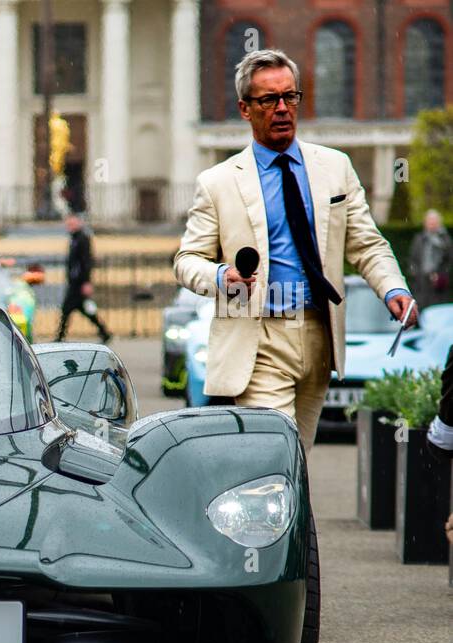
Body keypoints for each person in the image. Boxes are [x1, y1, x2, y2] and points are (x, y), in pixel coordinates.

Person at [174, 49, 413, 453]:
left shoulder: (335, 167)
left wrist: (394, 290)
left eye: (290, 97)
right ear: (245, 109)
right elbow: (186, 261)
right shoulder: (217, 182)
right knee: (275, 457)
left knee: (296, 461)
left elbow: (366, 242)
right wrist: (221, 276)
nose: (283, 108)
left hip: (319, 332)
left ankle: (290, 518)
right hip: (258, 335)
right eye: (269, 100)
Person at [55, 213, 110, 343]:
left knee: (67, 309)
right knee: (83, 310)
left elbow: (86, 261)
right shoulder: (74, 238)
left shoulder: (83, 238)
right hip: (75, 281)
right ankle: (104, 332)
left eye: (72, 223)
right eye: (68, 224)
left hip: (79, 282)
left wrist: (86, 282)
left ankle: (60, 337)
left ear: (79, 223)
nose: (69, 226)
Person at [408, 209, 451, 311]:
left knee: (436, 309)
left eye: (434, 222)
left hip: (438, 284)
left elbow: (449, 261)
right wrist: (415, 272)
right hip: (420, 282)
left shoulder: (445, 240)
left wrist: (440, 275)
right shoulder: (419, 239)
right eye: (429, 221)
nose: (431, 224)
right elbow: (412, 258)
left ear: (439, 223)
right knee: (421, 307)